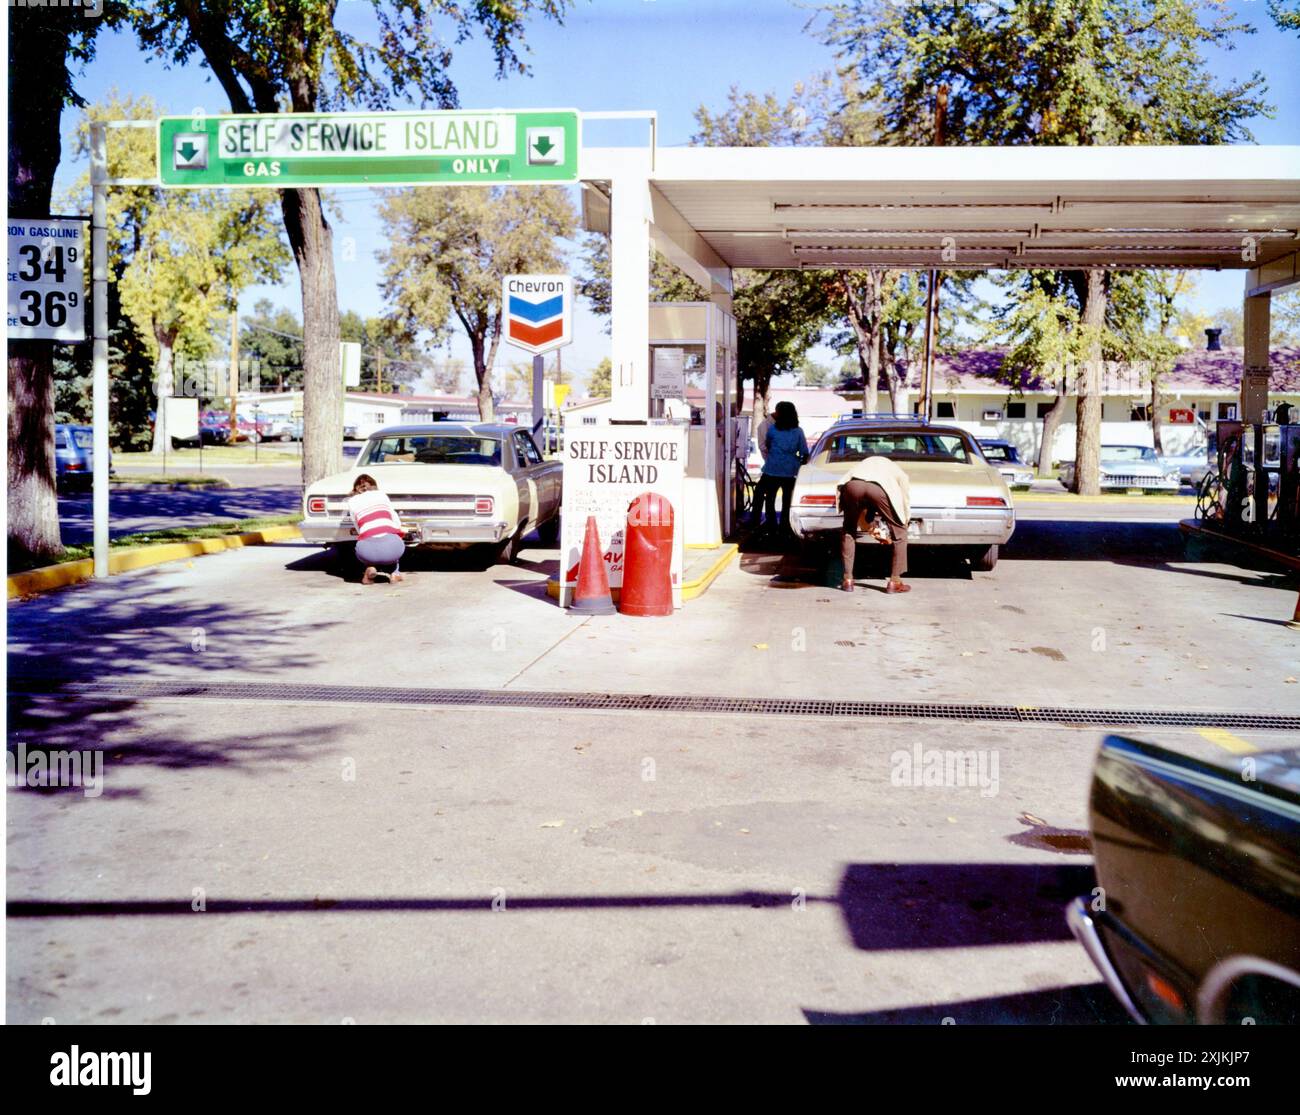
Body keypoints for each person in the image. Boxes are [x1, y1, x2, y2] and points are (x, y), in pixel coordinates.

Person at [838, 452, 912, 594]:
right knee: (900, 533)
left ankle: (847, 580)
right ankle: (895, 582)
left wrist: (873, 529)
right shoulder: (895, 468)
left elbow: (864, 510)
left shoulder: (862, 464)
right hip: (879, 489)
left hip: (853, 486)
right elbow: (904, 495)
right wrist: (905, 518)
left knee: (848, 530)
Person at [754, 401, 810, 536]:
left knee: (770, 498)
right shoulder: (798, 431)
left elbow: (767, 445)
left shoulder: (772, 430)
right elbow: (804, 451)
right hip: (790, 471)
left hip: (772, 469)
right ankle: (785, 525)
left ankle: (771, 525)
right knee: (787, 500)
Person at [347, 473, 406, 585]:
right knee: (395, 537)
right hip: (393, 549)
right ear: (374, 485)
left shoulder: (352, 501)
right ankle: (395, 573)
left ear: (356, 489)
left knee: (365, 542)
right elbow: (395, 521)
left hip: (367, 551)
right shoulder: (381, 495)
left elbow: (358, 528)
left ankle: (369, 570)